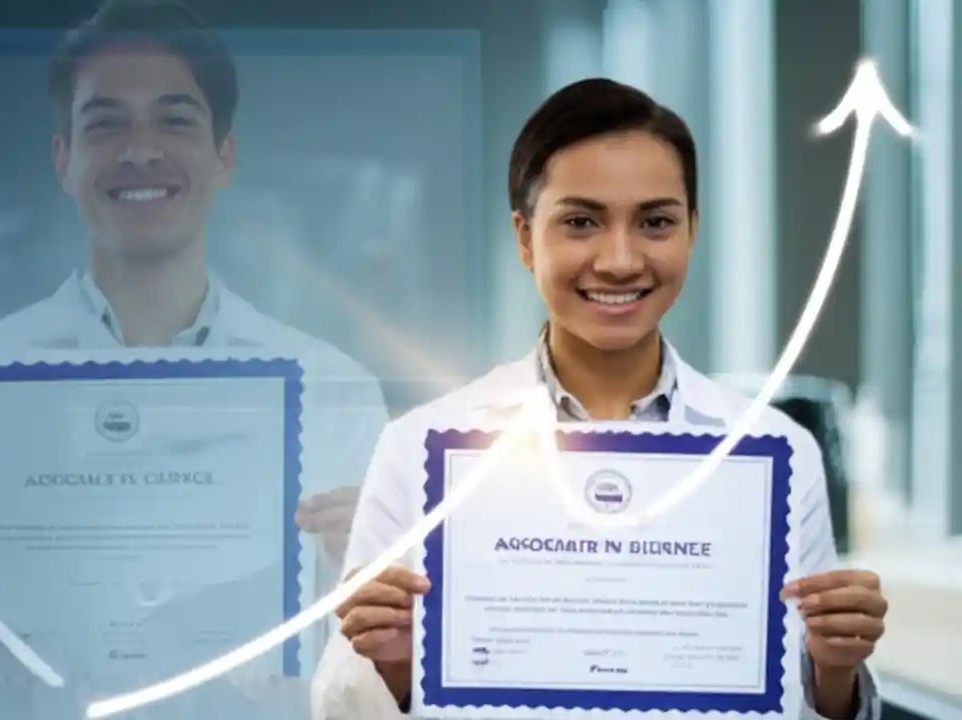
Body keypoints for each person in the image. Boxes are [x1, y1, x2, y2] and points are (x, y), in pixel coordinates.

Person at [0, 0, 387, 717]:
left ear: (224, 154)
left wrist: (365, 580)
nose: (139, 150)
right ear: (63, 158)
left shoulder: (332, 391)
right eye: (105, 122)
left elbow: (366, 678)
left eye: (175, 119)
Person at [312, 78, 886, 719]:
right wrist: (393, 661)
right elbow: (337, 708)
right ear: (526, 238)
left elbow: (808, 708)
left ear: (692, 231)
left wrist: (835, 672)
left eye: (656, 222)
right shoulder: (420, 449)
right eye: (581, 222)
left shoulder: (776, 451)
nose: (619, 260)